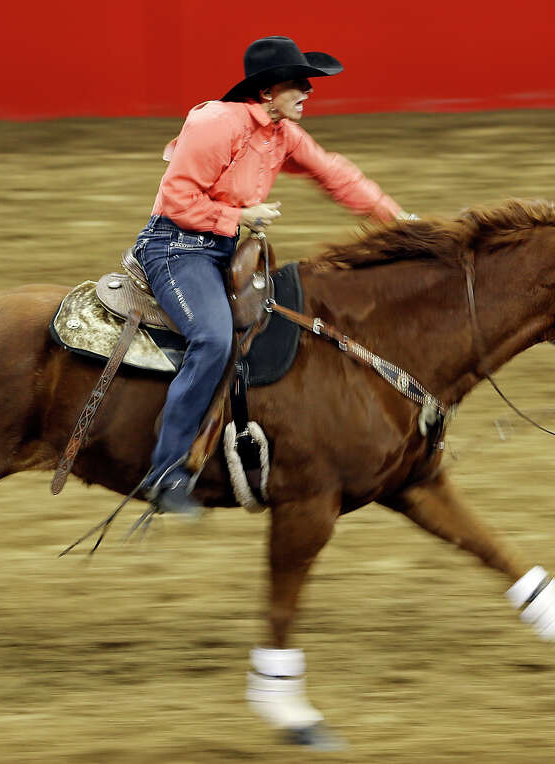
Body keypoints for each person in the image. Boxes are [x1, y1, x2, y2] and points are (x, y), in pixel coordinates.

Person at [137, 35, 412, 516]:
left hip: (222, 251)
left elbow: (335, 174)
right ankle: (165, 471)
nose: (309, 91)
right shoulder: (215, 123)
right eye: (299, 83)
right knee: (214, 340)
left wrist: (400, 221)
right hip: (176, 249)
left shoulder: (282, 134)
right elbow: (178, 201)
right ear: (267, 92)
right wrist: (239, 219)